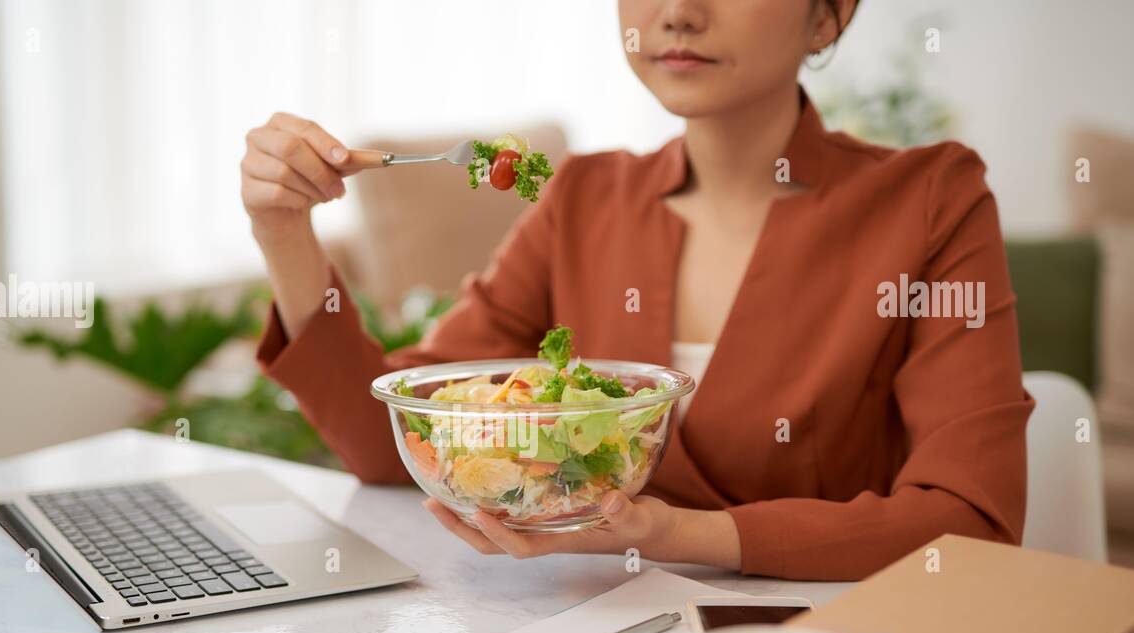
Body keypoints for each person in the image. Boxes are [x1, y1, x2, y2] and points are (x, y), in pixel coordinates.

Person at [238, 0, 1032, 581]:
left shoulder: (930, 200)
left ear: (828, 19)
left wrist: (671, 533)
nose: (678, 13)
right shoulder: (583, 198)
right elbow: (393, 446)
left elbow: (970, 520)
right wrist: (284, 232)